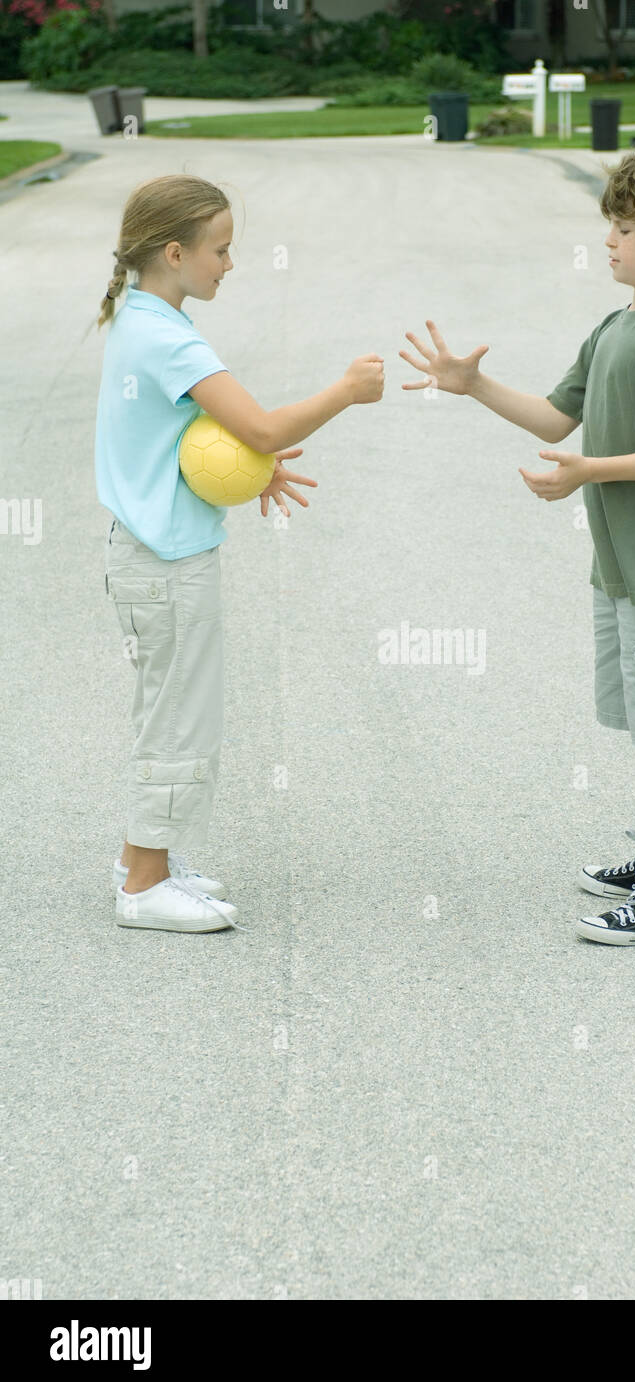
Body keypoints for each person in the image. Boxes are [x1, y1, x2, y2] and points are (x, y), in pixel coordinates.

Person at [400, 141, 635, 945]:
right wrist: (471, 384)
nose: (609, 241)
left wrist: (590, 473)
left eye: (624, 226)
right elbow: (555, 417)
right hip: (620, 566)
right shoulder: (617, 324)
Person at [96, 174, 384, 933]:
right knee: (178, 719)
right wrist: (346, 391)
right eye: (221, 250)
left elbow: (191, 439)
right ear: (174, 251)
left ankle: (143, 860)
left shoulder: (142, 317)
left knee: (167, 710)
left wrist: (252, 468)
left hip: (148, 557)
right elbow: (256, 427)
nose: (229, 264)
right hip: (164, 566)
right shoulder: (167, 336)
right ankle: (143, 887)